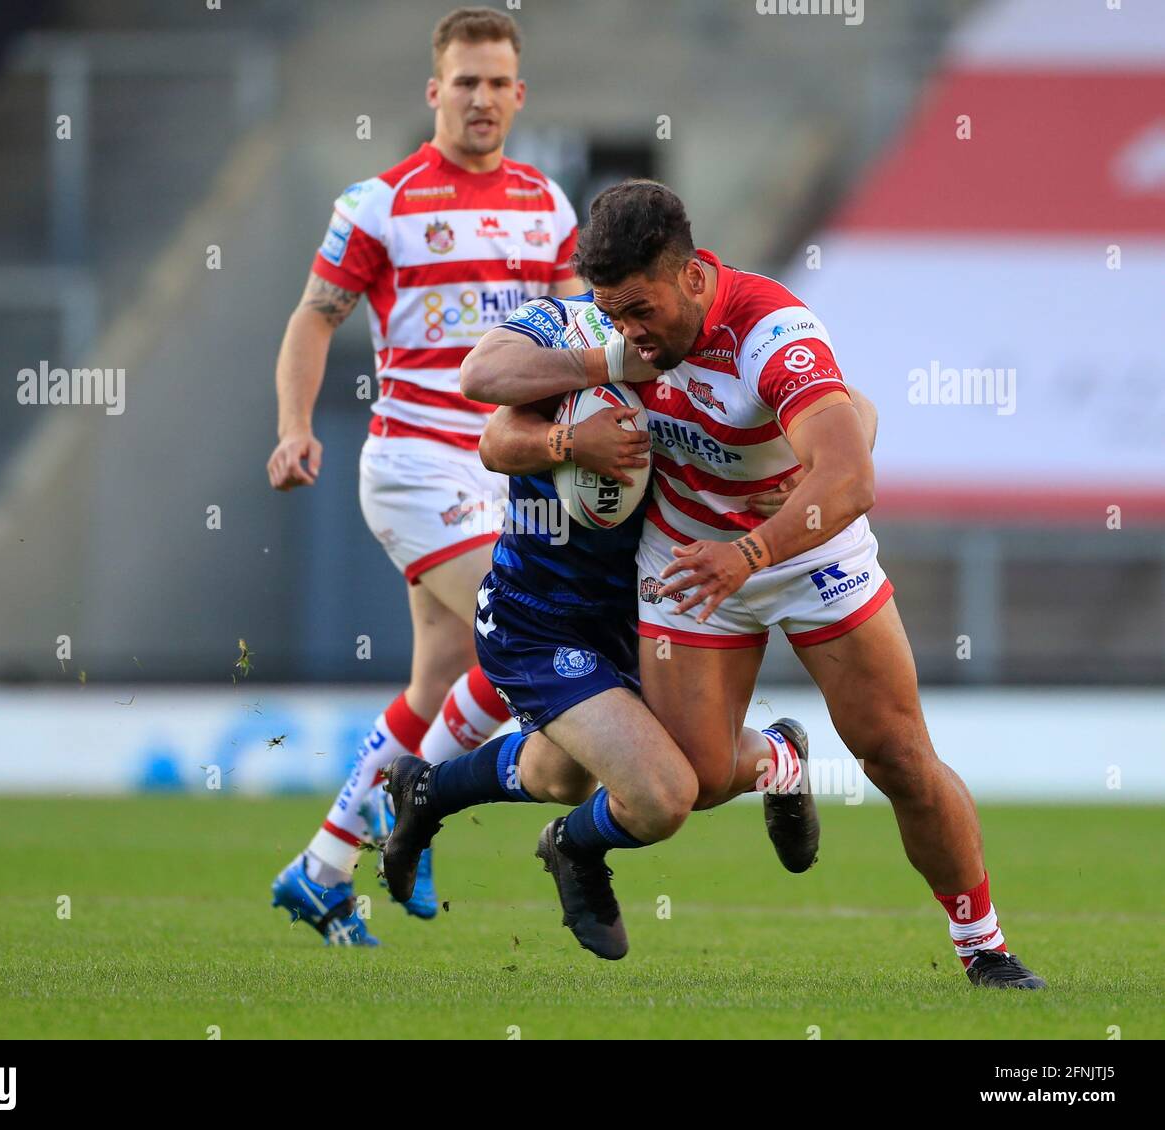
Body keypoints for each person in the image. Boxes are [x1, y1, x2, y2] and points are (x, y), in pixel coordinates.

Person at [387, 180, 1046, 989]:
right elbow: (491, 403)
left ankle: (984, 947)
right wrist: (606, 365)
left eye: (641, 311)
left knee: (897, 754)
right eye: (613, 312)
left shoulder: (771, 329)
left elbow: (850, 470)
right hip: (687, 557)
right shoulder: (607, 335)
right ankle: (765, 767)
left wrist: (756, 549)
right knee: (685, 781)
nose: (632, 331)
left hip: (804, 549)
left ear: (693, 277)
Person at [266, 7, 582, 945]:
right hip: (414, 463)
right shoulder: (384, 200)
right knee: (517, 633)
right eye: (465, 81)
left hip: (507, 471)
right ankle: (420, 805)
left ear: (519, 96)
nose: (481, 99)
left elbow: (577, 339)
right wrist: (292, 427)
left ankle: (322, 869)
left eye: (497, 83)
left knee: (439, 679)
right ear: (434, 89)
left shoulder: (548, 206)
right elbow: (314, 317)